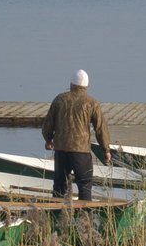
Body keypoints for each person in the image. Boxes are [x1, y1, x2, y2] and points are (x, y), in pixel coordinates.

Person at [41, 68, 112, 201]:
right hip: (81, 152)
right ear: (86, 85)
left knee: (59, 186)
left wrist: (48, 139)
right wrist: (106, 149)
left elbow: (48, 124)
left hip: (61, 150)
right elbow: (100, 128)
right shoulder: (91, 102)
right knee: (84, 185)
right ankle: (85, 217)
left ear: (71, 84)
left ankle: (57, 216)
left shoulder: (59, 99)